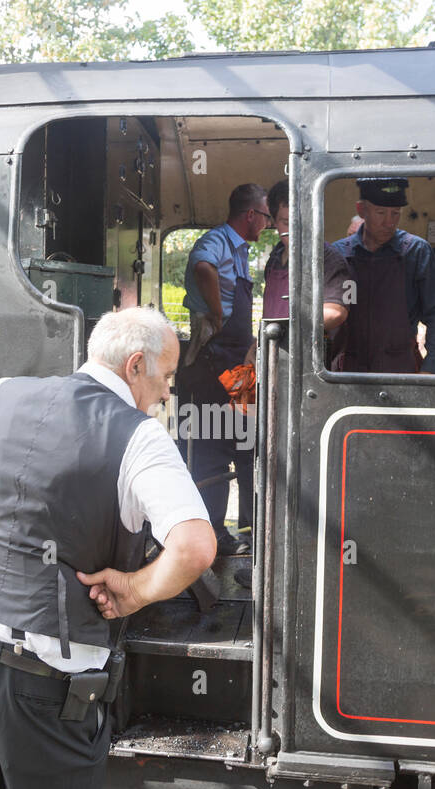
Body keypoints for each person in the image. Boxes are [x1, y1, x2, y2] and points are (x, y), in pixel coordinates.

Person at [0, 307, 216, 789]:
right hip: (46, 676)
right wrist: (135, 590)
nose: (167, 393)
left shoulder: (7, 396)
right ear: (135, 365)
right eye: (166, 378)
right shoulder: (140, 438)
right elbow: (194, 547)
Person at [176, 183, 268, 555]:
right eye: (264, 216)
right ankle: (211, 532)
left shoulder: (241, 251)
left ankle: (249, 529)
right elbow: (202, 267)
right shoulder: (217, 241)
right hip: (213, 360)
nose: (266, 224)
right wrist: (216, 313)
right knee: (209, 447)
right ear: (251, 214)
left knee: (248, 440)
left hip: (238, 364)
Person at [330, 178, 435, 374]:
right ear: (362, 210)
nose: (389, 222)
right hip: (347, 374)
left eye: (396, 213)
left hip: (401, 372)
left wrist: (430, 367)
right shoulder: (338, 255)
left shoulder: (416, 252)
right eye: (380, 213)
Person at [262, 179, 349, 329]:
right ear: (274, 222)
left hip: (309, 350)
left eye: (302, 222)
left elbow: (335, 312)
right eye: (287, 223)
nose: (296, 231)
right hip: (274, 347)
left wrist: (285, 331)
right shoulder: (274, 259)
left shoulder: (329, 259)